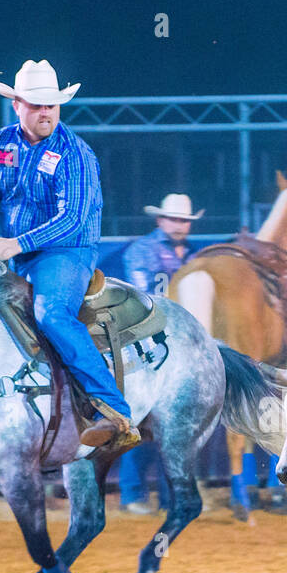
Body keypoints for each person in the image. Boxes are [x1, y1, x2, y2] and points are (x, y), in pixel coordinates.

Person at [0, 59, 138, 452]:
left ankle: (113, 410)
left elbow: (73, 219)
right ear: (17, 105)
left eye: (52, 106)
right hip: (14, 251)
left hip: (66, 251)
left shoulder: (75, 154)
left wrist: (14, 245)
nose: (45, 113)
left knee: (52, 314)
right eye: (37, 105)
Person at [118, 193, 203, 512]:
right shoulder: (142, 251)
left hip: (184, 345)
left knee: (178, 421)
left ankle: (171, 495)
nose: (180, 225)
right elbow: (146, 299)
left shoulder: (196, 255)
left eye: (185, 221)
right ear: (160, 220)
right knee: (142, 417)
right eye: (175, 219)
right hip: (147, 343)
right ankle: (133, 492)